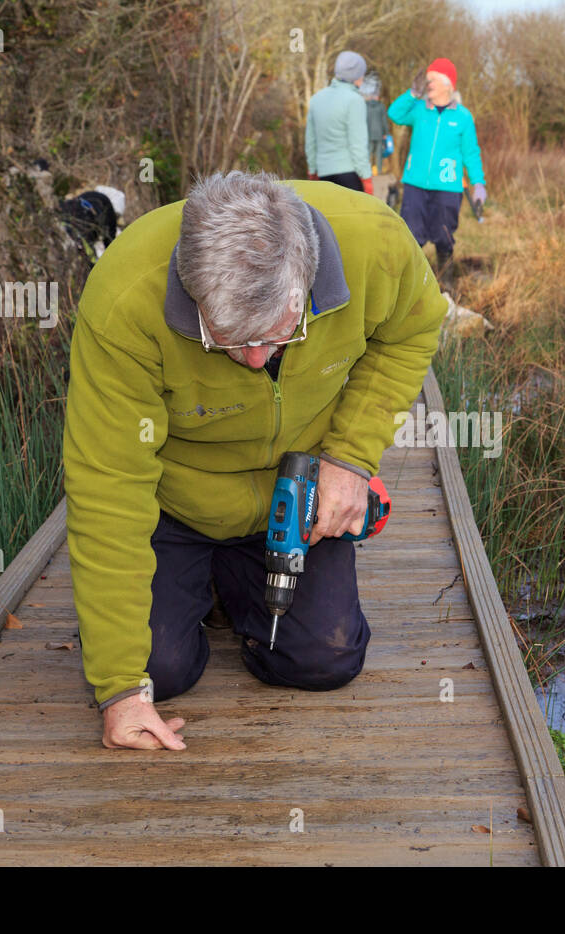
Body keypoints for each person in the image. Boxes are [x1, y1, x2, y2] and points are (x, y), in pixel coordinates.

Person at [63, 171, 447, 750]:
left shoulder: (375, 242)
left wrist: (349, 459)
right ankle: (203, 582)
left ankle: (228, 590)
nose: (253, 360)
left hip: (298, 492)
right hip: (178, 502)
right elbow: (107, 487)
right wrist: (119, 689)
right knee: (156, 673)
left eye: (276, 335)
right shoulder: (123, 299)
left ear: (306, 282)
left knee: (325, 658)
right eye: (227, 340)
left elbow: (414, 328)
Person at [387, 57, 486, 284]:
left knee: (444, 236)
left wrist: (478, 183)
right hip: (415, 184)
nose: (426, 84)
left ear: (447, 84)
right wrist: (412, 92)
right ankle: (411, 285)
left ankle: (446, 284)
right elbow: (394, 113)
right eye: (425, 80)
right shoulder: (419, 109)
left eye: (431, 80)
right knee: (411, 236)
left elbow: (471, 153)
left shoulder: (463, 116)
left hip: (448, 187)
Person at [304, 51, 372, 195]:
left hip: (324, 174)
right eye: (362, 74)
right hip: (350, 174)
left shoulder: (316, 99)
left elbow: (310, 141)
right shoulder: (355, 100)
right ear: (356, 76)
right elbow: (357, 144)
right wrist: (366, 178)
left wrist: (312, 170)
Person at [361, 74, 391, 176]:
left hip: (368, 133)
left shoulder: (365, 106)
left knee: (368, 153)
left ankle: (367, 171)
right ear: (377, 97)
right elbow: (384, 120)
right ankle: (378, 171)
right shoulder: (381, 106)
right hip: (379, 134)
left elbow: (364, 120)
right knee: (378, 153)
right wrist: (386, 132)